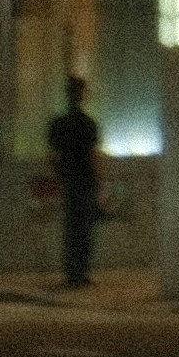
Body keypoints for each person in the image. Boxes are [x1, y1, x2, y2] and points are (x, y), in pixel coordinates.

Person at [46, 77, 107, 289]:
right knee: (85, 230)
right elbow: (93, 155)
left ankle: (72, 273)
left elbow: (52, 156)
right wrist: (99, 181)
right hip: (86, 181)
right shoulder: (88, 124)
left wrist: (60, 175)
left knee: (71, 229)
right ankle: (82, 273)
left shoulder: (58, 124)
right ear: (82, 95)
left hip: (69, 182)